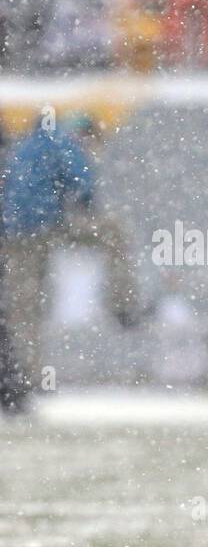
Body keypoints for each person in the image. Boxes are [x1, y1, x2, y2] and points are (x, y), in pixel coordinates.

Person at [0, 110, 100, 415]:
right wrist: (86, 207)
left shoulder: (24, 145)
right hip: (37, 229)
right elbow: (83, 181)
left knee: (21, 305)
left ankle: (22, 376)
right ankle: (26, 378)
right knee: (28, 306)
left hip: (10, 230)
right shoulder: (61, 143)